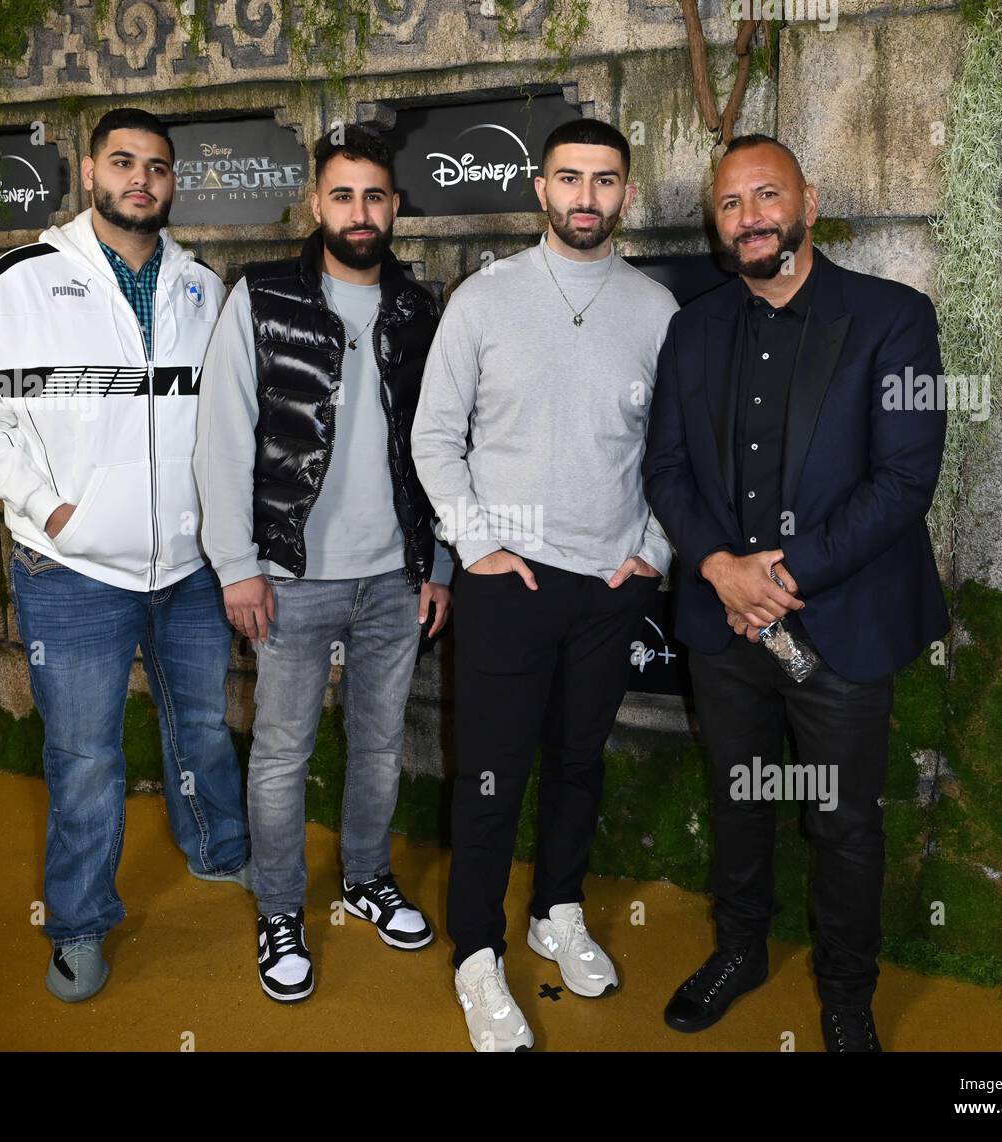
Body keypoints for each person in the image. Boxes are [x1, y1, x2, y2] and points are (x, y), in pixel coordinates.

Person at [0, 109, 251, 1002]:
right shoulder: (21, 280)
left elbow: (225, 426)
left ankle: (220, 848)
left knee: (200, 725)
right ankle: (77, 925)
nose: (140, 179)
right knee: (83, 759)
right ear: (89, 171)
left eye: (156, 167)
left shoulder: (201, 287)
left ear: (173, 183)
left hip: (186, 570)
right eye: (124, 163)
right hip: (71, 571)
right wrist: (50, 507)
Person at [643, 134, 949, 1051]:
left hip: (841, 625)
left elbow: (904, 481)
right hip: (721, 624)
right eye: (731, 206)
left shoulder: (893, 317)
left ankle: (848, 996)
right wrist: (718, 567)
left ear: (808, 203)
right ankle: (738, 952)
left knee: (845, 822)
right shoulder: (691, 326)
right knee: (738, 796)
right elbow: (664, 470)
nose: (750, 219)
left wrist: (780, 577)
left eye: (766, 197)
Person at [412, 118, 678, 1051]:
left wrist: (653, 552)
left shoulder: (656, 311)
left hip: (610, 587)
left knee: (576, 764)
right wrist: (477, 544)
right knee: (490, 778)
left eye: (605, 181)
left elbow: (673, 454)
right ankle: (477, 955)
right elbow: (435, 438)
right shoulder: (485, 300)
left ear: (627, 195)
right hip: (506, 586)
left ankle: (556, 912)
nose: (586, 198)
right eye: (570, 179)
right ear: (541, 189)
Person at [194, 125, 452, 1004]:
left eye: (375, 195)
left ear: (395, 206)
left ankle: (366, 878)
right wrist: (237, 563)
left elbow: (448, 444)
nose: (360, 211)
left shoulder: (420, 309)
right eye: (343, 195)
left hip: (395, 577)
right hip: (290, 579)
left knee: (380, 745)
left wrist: (440, 563)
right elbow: (222, 438)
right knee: (280, 755)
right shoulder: (260, 299)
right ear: (317, 204)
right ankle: (278, 911)